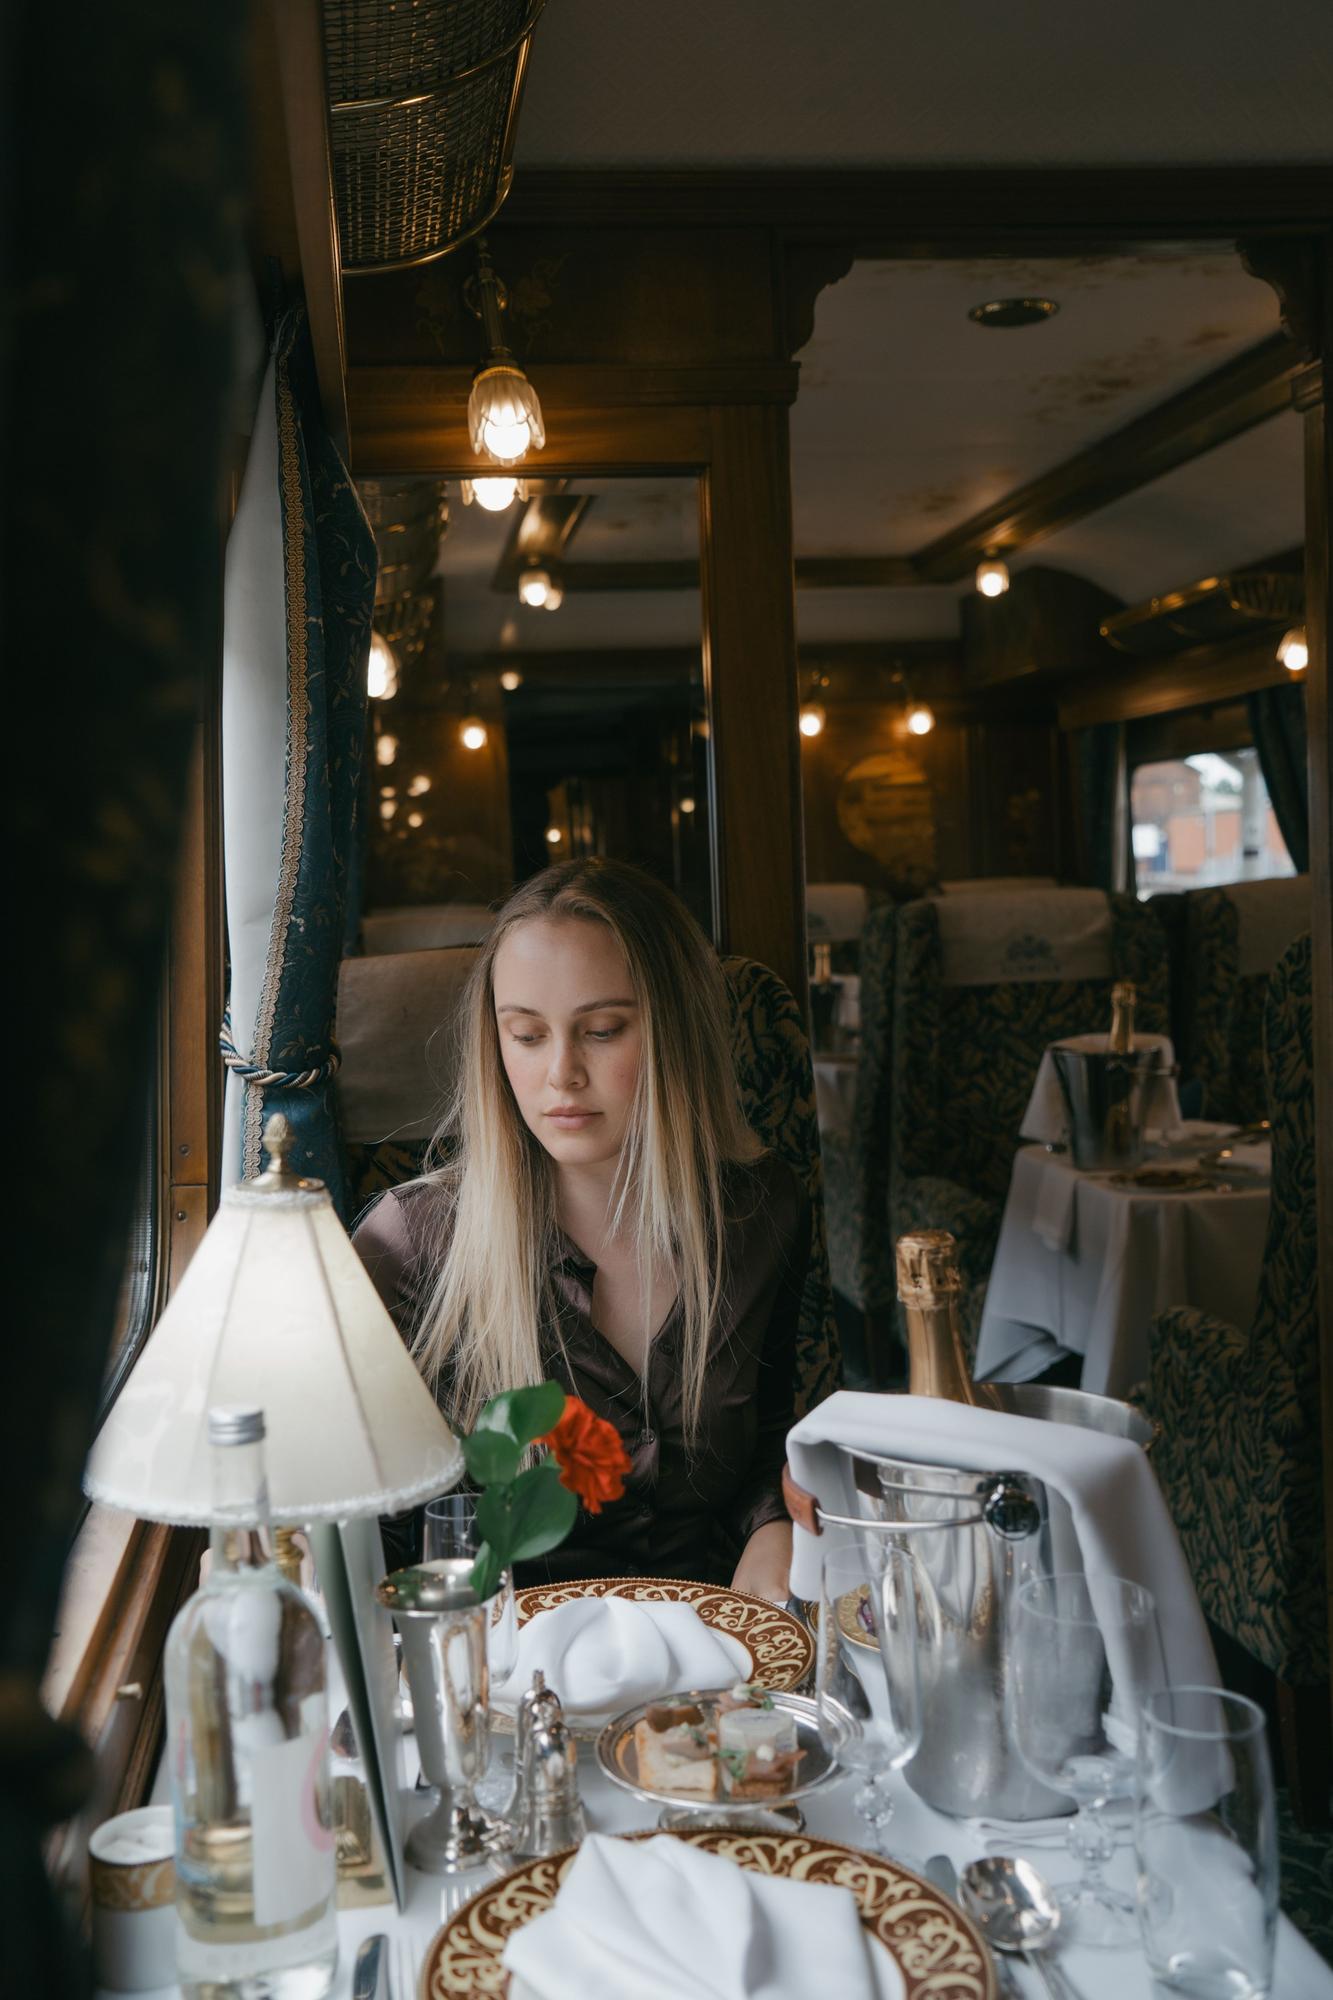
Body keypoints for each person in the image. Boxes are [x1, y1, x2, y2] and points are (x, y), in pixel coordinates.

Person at [354, 858, 810, 1602]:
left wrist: (771, 1529)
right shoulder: (408, 1244)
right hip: (507, 1669)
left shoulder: (760, 1211)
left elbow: (764, 1438)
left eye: (600, 1031)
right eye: (527, 1036)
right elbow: (361, 1524)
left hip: (716, 1658)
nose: (561, 1073)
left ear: (676, 1033)